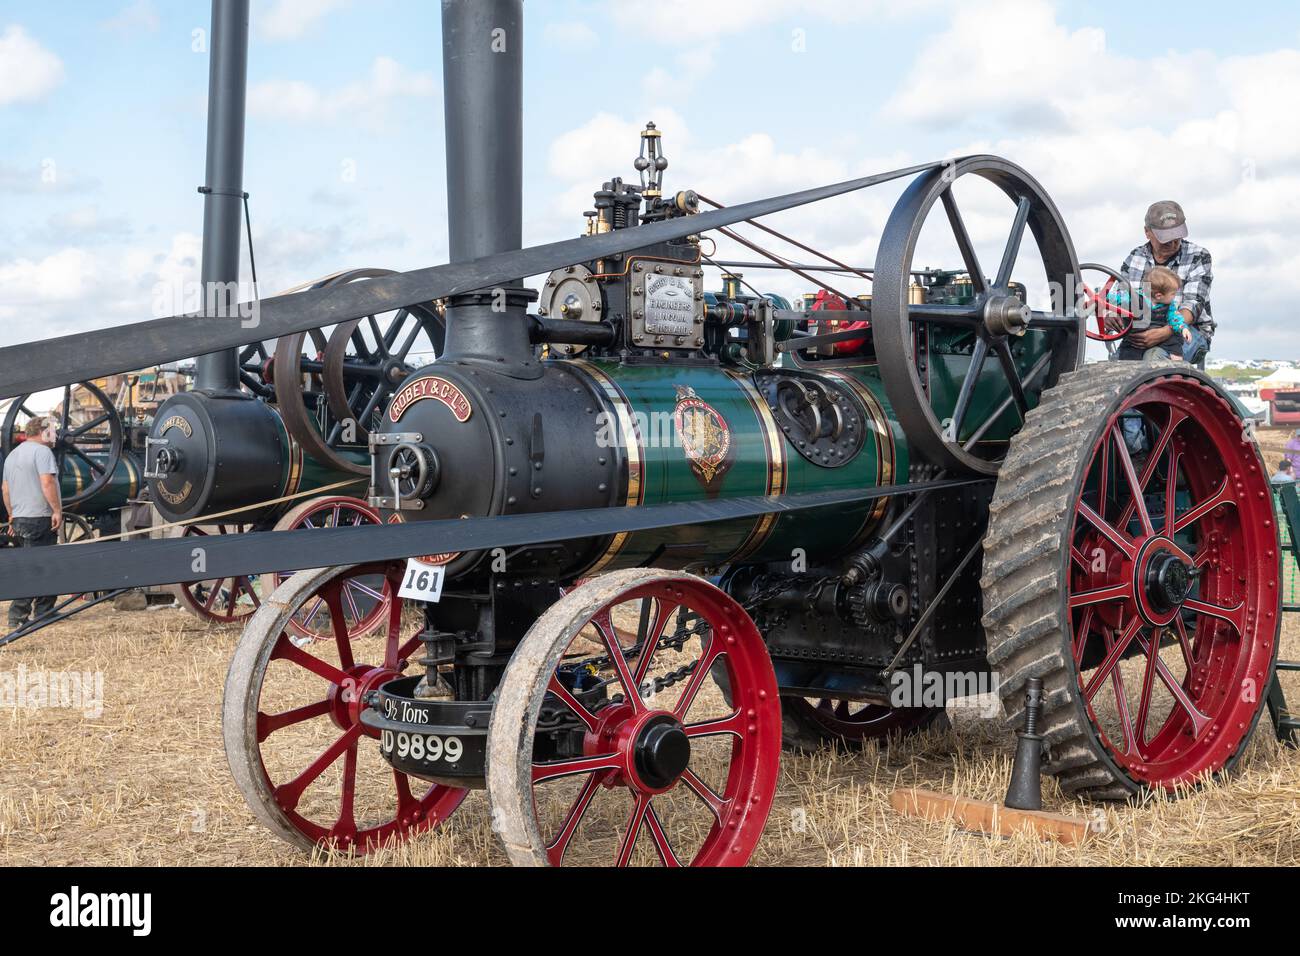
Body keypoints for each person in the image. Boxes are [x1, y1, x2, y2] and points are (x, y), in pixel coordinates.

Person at [1120, 201, 1213, 365]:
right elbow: (1122, 298)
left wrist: (1166, 331)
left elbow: (1193, 305)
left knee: (1154, 358)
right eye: (1165, 238)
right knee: (1119, 369)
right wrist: (1112, 315)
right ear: (1147, 233)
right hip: (1142, 332)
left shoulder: (1198, 256)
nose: (1172, 243)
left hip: (1186, 330)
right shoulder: (1135, 258)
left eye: (1176, 237)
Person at [2, 417, 62, 628]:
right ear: (43, 432)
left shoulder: (12, 455)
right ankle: (32, 613)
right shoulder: (42, 452)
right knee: (43, 567)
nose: (55, 435)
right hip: (39, 518)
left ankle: (35, 612)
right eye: (53, 431)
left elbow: (5, 490)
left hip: (20, 519)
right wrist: (56, 510)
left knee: (27, 566)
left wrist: (12, 516)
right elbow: (47, 482)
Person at [1115, 266, 1187, 361]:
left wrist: (1182, 328)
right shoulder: (1136, 298)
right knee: (1128, 356)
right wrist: (1108, 305)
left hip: (1161, 337)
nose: (1174, 297)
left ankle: (1175, 355)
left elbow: (1175, 317)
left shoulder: (1169, 306)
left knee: (1174, 336)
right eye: (1173, 294)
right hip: (1136, 339)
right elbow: (1118, 297)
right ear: (1159, 296)